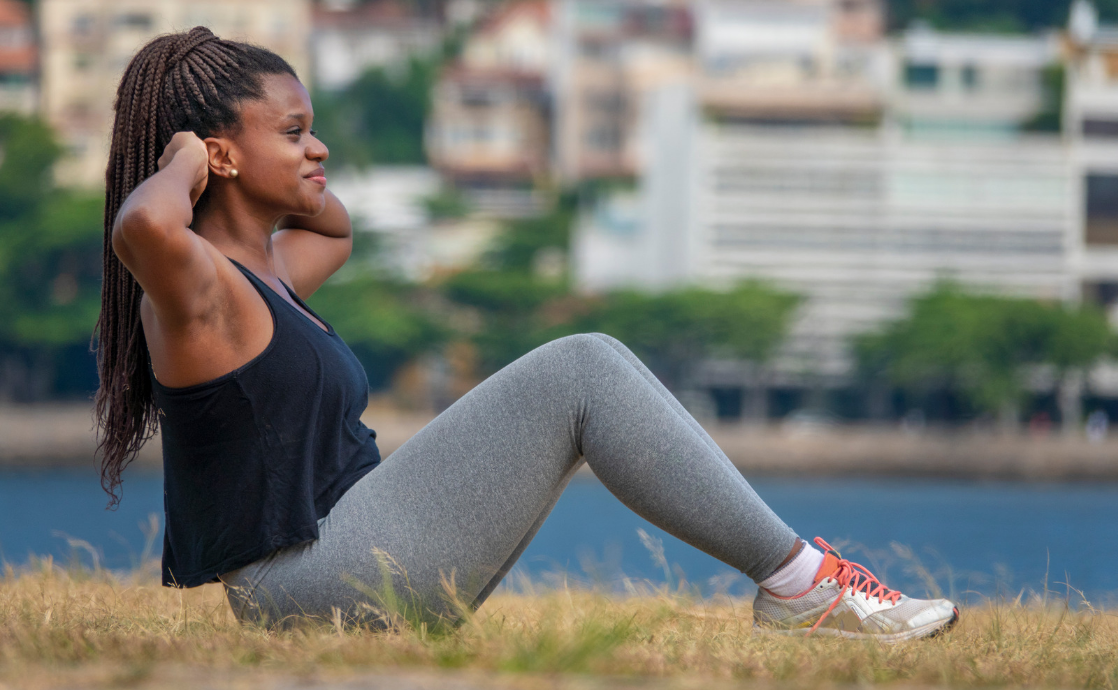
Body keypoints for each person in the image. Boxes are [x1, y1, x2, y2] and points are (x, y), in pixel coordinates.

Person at [95, 27, 958, 641]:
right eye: (294, 133)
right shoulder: (198, 286)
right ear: (222, 156)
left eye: (313, 127)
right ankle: (802, 585)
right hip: (305, 584)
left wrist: (279, 167)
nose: (318, 148)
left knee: (587, 370)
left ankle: (800, 581)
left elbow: (336, 231)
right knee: (582, 369)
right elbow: (143, 228)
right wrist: (183, 159)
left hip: (341, 561)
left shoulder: (271, 273)